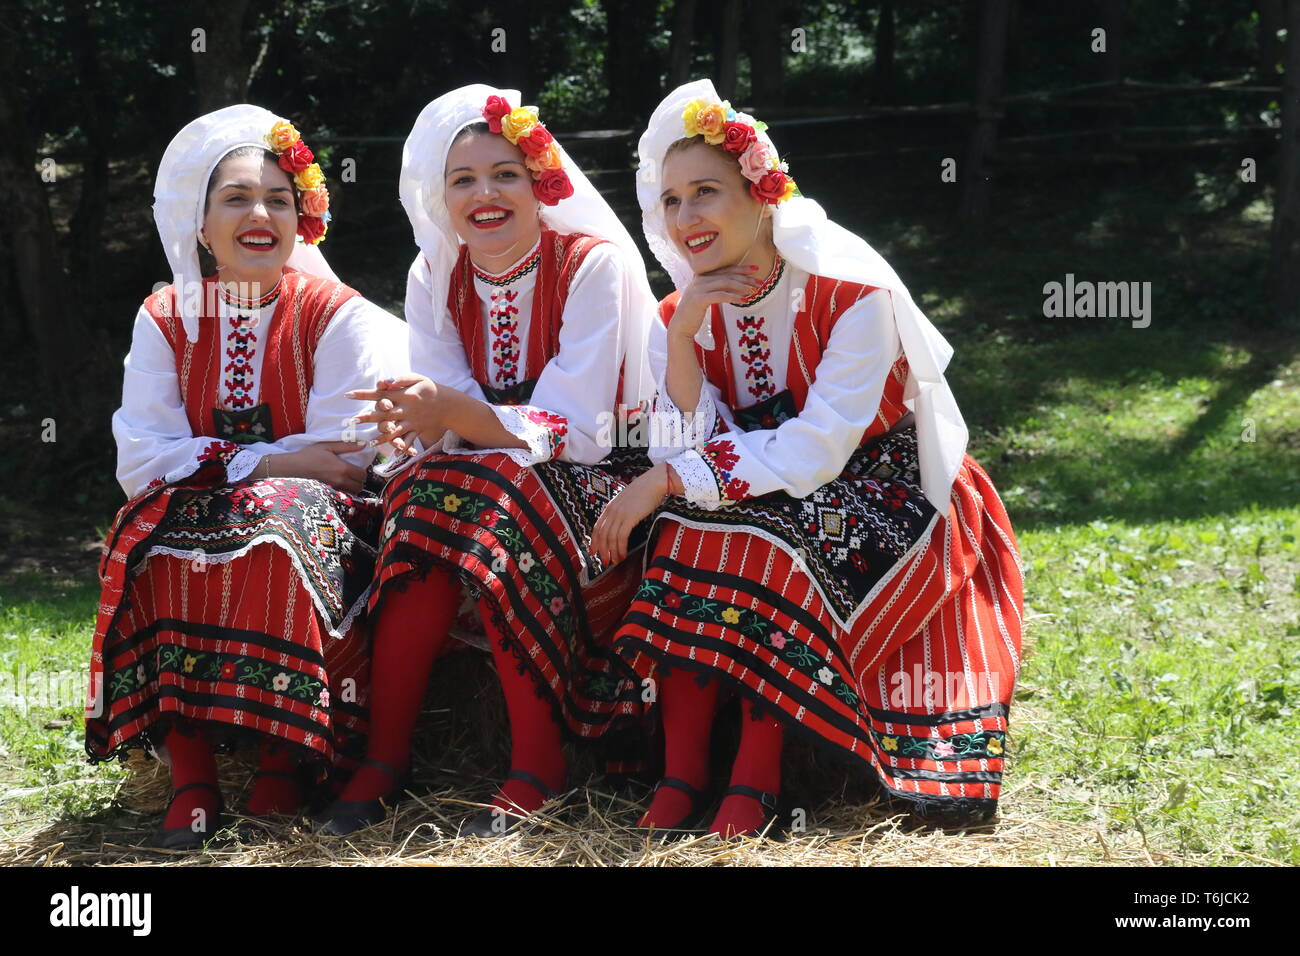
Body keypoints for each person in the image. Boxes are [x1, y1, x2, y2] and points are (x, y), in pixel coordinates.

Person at [592, 80, 1025, 837]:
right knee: (687, 528)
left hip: (886, 484)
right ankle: (682, 773)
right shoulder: (677, 312)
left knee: (770, 535)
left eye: (706, 192)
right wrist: (686, 336)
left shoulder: (853, 293)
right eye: (671, 201)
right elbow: (682, 447)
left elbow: (820, 446)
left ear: (762, 194)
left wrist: (670, 478)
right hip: (763, 485)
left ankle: (754, 780)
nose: (686, 218)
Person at [313, 85, 657, 838]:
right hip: (482, 471)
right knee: (424, 493)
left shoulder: (592, 265)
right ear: (441, 197)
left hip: (600, 468)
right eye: (463, 179)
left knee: (481, 488)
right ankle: (384, 757)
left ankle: (537, 762)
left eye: (505, 174)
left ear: (542, 182)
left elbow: (579, 423)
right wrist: (425, 416)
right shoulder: (435, 274)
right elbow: (443, 414)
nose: (485, 194)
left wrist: (448, 413)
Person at [85, 105, 408, 849]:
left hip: (327, 523)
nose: (260, 215)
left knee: (273, 523)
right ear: (201, 227)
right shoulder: (165, 316)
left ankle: (282, 763)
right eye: (236, 198)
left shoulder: (338, 315)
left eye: (278, 200)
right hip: (210, 504)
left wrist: (222, 462)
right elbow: (140, 458)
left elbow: (340, 461)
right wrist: (272, 459)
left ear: (301, 220)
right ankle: (192, 777)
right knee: (152, 533)